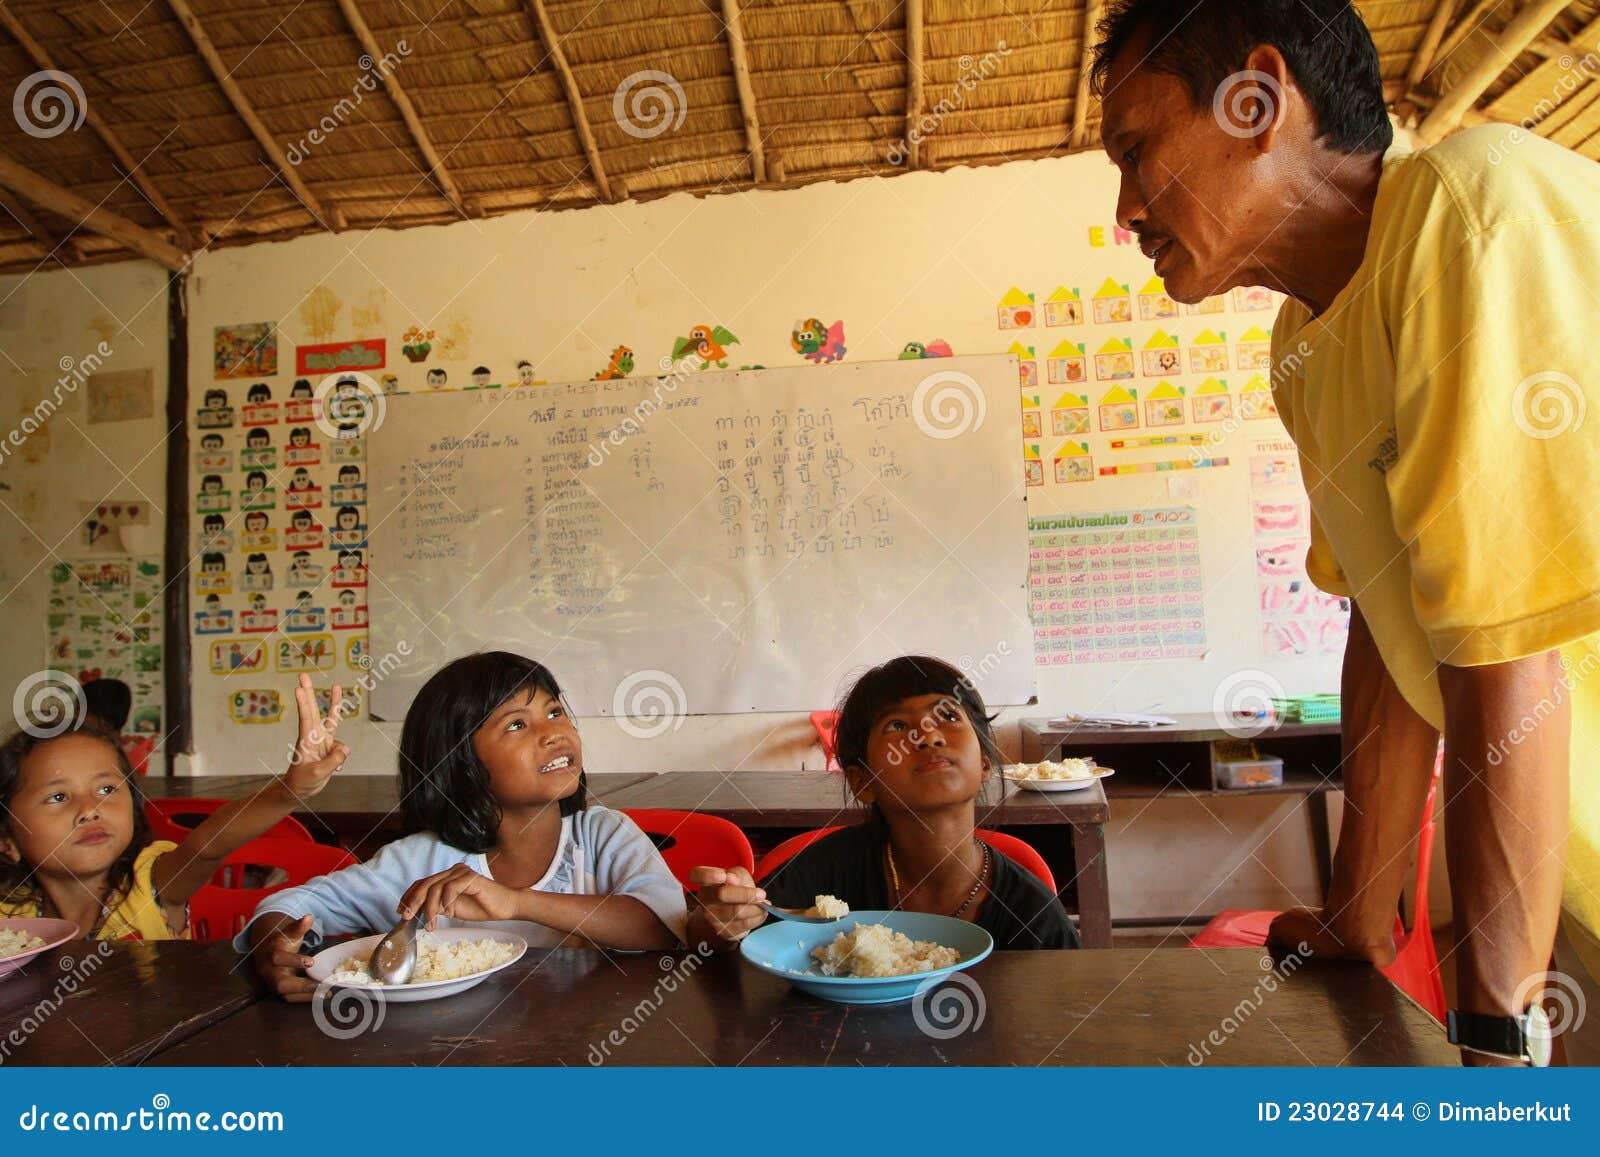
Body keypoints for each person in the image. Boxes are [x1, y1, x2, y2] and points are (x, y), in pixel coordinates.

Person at [1092, 0, 1600, 1064]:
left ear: (1256, 99)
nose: (1126, 209)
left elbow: (1503, 644)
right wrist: (1355, 918)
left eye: (1136, 152)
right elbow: (1389, 620)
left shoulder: (1470, 204)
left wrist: (1495, 1041)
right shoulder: (1303, 341)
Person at [240, 652, 686, 1001]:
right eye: (517, 724)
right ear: (461, 764)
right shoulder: (420, 862)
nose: (553, 733)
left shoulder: (604, 836)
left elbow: (666, 925)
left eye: (554, 712)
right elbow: (291, 903)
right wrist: (276, 947)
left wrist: (515, 903)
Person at [691, 655, 1077, 951]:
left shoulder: (1032, 914)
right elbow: (716, 942)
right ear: (862, 782)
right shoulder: (824, 873)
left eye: (947, 716)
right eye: (897, 726)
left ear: (985, 765)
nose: (927, 737)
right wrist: (719, 922)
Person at [1, 675, 347, 938]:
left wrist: (288, 790)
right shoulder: (12, 923)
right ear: (8, 840)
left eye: (107, 788)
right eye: (59, 797)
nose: (90, 809)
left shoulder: (151, 886)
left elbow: (208, 845)